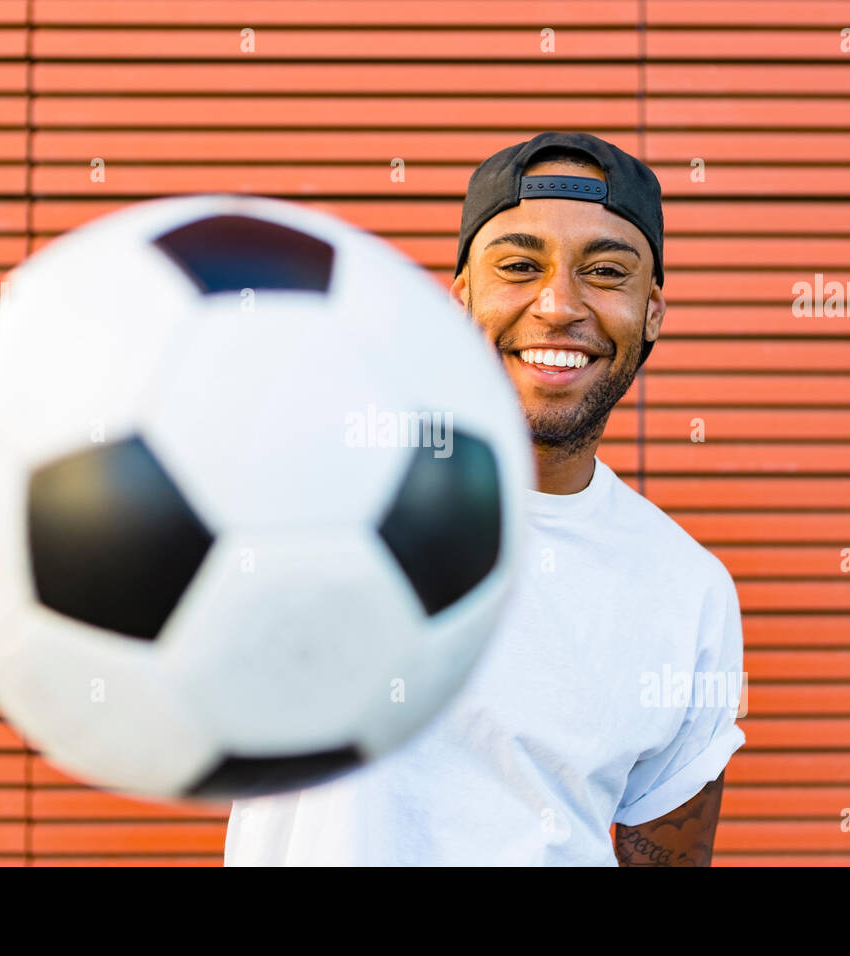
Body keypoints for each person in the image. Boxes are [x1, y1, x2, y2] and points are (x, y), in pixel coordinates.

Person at [224, 131, 746, 866]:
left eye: (604, 271)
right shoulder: (307, 496)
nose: (559, 304)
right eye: (519, 266)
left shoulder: (689, 590)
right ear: (461, 294)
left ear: (652, 311)